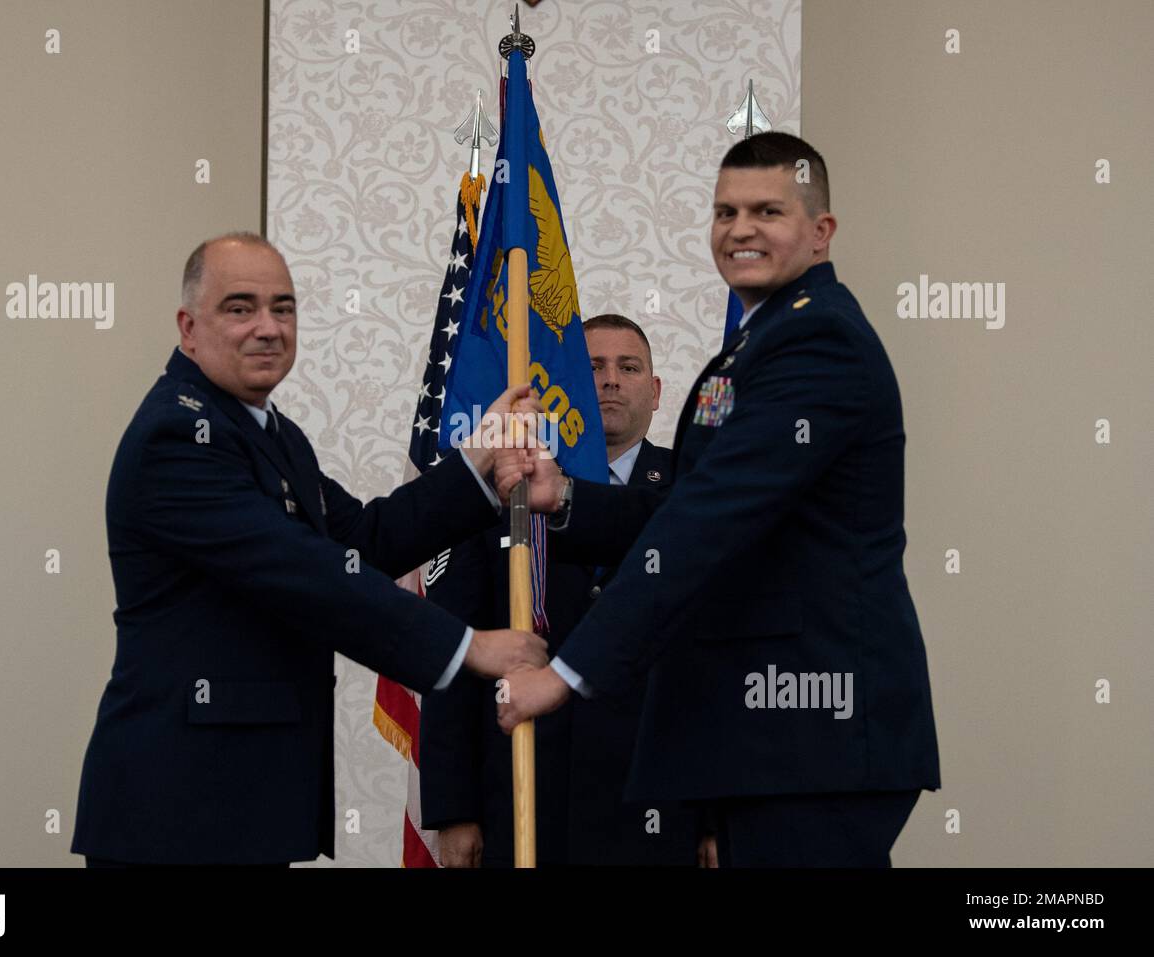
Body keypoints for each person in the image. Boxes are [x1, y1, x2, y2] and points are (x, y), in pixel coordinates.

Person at [496, 133, 941, 867]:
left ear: (821, 232)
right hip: (766, 735)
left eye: (768, 210)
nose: (740, 229)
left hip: (809, 731)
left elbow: (708, 523)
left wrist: (567, 672)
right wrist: (565, 497)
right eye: (725, 211)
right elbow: (690, 503)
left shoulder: (816, 342)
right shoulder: (758, 344)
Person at [70, 232, 547, 866]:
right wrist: (468, 646)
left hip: (243, 803)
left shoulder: (271, 432)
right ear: (189, 328)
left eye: (283, 307)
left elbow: (361, 541)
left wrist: (478, 465)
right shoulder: (178, 434)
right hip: (179, 808)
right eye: (240, 308)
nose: (267, 327)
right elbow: (305, 575)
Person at [421, 315, 698, 866]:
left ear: (657, 390)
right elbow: (455, 648)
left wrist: (719, 818)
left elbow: (715, 660)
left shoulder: (696, 492)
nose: (611, 380)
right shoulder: (509, 485)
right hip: (526, 791)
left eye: (629, 367)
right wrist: (454, 809)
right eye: (593, 367)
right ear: (565, 386)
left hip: (658, 802)